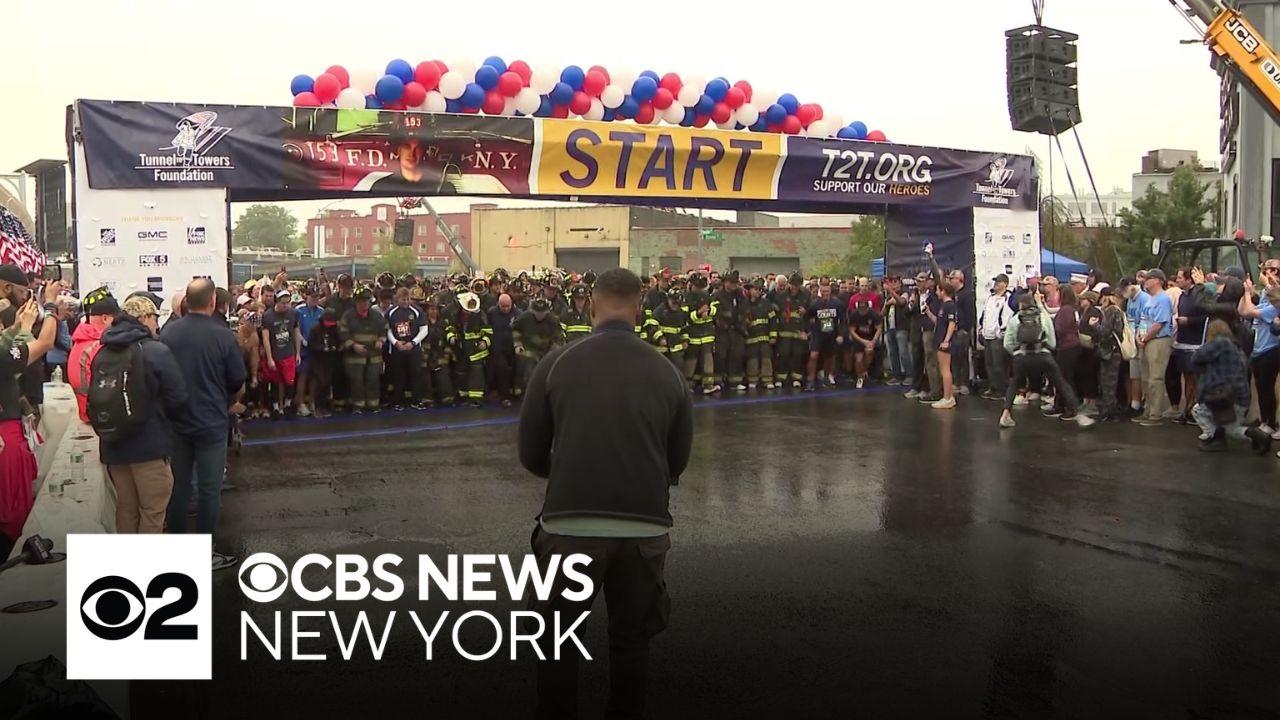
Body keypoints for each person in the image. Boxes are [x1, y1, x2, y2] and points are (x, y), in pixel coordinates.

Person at [518, 268, 692, 720]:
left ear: (591, 307)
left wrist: (571, 474)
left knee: (557, 642)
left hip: (569, 525)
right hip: (644, 529)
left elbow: (530, 453)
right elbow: (677, 461)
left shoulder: (555, 364)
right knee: (632, 642)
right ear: (640, 309)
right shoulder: (669, 373)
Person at [160, 278, 246, 571]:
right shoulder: (222, 335)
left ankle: (176, 549)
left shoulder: (168, 333)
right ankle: (205, 553)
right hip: (211, 421)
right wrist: (226, 401)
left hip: (177, 421)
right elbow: (237, 379)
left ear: (187, 301)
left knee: (179, 486)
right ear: (212, 302)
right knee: (210, 490)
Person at [96, 296, 188, 534]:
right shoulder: (156, 351)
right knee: (152, 512)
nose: (157, 324)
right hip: (150, 448)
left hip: (114, 447)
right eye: (155, 318)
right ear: (144, 318)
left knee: (126, 509)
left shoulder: (103, 350)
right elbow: (178, 398)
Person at [0, 266, 57, 558]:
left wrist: (17, 328)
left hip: (12, 422)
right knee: (11, 511)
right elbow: (29, 349)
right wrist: (45, 311)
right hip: (6, 434)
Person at [998, 292, 1095, 429]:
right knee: (1061, 382)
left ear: (1020, 305)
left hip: (1022, 356)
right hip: (1042, 355)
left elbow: (1007, 343)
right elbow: (1052, 342)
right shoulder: (1043, 316)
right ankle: (1079, 414)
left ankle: (1005, 415)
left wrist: (1017, 352)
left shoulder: (1015, 319)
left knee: (1014, 384)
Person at [1191, 319, 1268, 453]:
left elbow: (1196, 357)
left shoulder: (1220, 343)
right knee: (1231, 429)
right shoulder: (1236, 347)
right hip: (1238, 396)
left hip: (1226, 396)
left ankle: (1215, 438)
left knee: (1198, 411)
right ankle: (1254, 435)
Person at [1237, 280, 1280, 439]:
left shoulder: (1274, 308)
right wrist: (1245, 294)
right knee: (1261, 389)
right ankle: (1264, 421)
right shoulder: (1266, 305)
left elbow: (1249, 311)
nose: (1265, 290)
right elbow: (1243, 311)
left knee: (1267, 389)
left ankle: (1270, 422)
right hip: (1258, 351)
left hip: (1270, 350)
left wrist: (1248, 293)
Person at [68, 295, 118, 424]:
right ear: (105, 318)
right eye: (116, 320)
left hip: (84, 411)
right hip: (100, 415)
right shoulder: (100, 346)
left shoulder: (80, 341)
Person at [339, 287, 388, 414]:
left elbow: (384, 329)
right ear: (356, 302)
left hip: (374, 355)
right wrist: (353, 345)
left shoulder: (376, 315)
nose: (365, 303)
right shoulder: (348, 316)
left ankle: (373, 404)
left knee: (373, 379)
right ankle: (358, 405)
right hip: (354, 356)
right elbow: (343, 333)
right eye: (362, 301)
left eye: (367, 301)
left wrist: (381, 340)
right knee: (356, 380)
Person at [1136, 270, 1175, 426]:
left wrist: (1145, 337)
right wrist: (1139, 336)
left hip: (1158, 340)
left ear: (1159, 280)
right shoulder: (1149, 299)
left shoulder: (1163, 299)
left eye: (1149, 278)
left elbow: (1159, 324)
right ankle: (1147, 410)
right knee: (1145, 378)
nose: (1145, 281)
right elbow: (1143, 320)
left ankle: (1155, 414)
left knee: (1155, 378)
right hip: (1146, 340)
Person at [1172, 267, 1209, 425]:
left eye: (1180, 277)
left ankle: (1196, 410)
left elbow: (1206, 316)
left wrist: (1189, 321)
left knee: (1195, 378)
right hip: (1182, 340)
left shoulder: (1198, 295)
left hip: (1196, 342)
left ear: (1189, 279)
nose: (1177, 280)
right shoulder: (1182, 296)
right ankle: (1187, 409)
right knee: (1187, 377)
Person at [512, 297, 564, 404]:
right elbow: (515, 330)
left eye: (542, 313)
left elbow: (559, 336)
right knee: (529, 370)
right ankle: (529, 396)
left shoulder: (553, 320)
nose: (540, 315)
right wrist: (518, 344)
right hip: (529, 350)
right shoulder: (524, 317)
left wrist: (555, 349)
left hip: (547, 351)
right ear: (532, 310)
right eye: (537, 313)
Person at [260, 289, 301, 420]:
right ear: (277, 302)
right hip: (275, 353)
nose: (285, 306)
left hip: (288, 353)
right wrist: (269, 358)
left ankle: (288, 404)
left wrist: (298, 353)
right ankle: (276, 407)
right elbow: (266, 338)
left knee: (290, 381)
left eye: (287, 303)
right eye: (283, 303)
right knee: (275, 382)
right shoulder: (268, 316)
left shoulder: (293, 313)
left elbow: (296, 333)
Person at [386, 288, 429, 410]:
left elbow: (424, 329)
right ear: (397, 299)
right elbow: (387, 330)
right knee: (398, 376)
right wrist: (395, 342)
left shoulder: (417, 311)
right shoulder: (391, 312)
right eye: (403, 300)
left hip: (414, 349)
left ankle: (417, 401)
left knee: (416, 375)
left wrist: (413, 342)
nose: (406, 302)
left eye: (408, 299)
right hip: (397, 350)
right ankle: (398, 402)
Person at [1046, 286, 1081, 418]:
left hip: (1066, 347)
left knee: (1065, 378)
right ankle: (1059, 404)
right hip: (1071, 346)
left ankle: (1070, 407)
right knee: (1063, 377)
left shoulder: (1066, 310)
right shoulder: (1072, 309)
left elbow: (1060, 329)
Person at [711, 270, 749, 391]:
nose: (733, 285)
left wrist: (741, 319)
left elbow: (744, 308)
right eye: (730, 282)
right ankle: (718, 380)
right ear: (725, 282)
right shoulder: (717, 295)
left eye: (735, 283)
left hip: (737, 330)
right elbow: (714, 312)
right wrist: (722, 318)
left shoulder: (740, 294)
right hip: (722, 330)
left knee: (737, 355)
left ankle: (735, 382)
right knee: (721, 355)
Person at [804, 281, 845, 391]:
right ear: (820, 292)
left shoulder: (837, 304)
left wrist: (840, 334)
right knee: (813, 356)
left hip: (831, 334)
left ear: (830, 291)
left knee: (829, 357)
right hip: (818, 334)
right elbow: (806, 317)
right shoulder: (815, 304)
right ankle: (810, 380)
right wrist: (808, 331)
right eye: (823, 292)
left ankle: (826, 378)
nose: (825, 293)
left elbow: (843, 320)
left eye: (827, 291)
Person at [773, 272, 811, 390]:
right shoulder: (781, 296)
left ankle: (796, 379)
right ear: (789, 284)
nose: (795, 287)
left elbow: (811, 314)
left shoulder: (806, 296)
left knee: (797, 355)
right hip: (784, 331)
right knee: (783, 355)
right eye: (793, 285)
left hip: (799, 332)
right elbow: (775, 315)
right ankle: (780, 378)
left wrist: (806, 312)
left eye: (797, 285)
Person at [979, 274, 1013, 400]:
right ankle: (993, 387)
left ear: (1005, 284)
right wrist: (982, 329)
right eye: (996, 282)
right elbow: (986, 314)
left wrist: (1001, 332)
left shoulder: (1007, 298)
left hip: (997, 336)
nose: (996, 284)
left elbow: (1007, 316)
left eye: (999, 282)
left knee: (999, 364)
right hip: (987, 335)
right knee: (989, 363)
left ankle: (1002, 389)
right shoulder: (990, 298)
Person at [294, 287, 325, 418]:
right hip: (304, 348)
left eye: (317, 297)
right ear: (306, 297)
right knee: (303, 375)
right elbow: (296, 329)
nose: (315, 300)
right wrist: (303, 340)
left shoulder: (321, 311)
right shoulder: (299, 310)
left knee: (314, 376)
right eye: (313, 297)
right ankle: (300, 403)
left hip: (316, 348)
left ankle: (312, 401)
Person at [930, 281, 959, 409]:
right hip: (940, 339)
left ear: (943, 291)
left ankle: (948, 398)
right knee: (943, 369)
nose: (936, 293)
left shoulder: (950, 305)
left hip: (945, 341)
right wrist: (928, 313)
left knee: (945, 370)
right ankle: (948, 396)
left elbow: (952, 323)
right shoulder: (944, 306)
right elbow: (940, 322)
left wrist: (946, 340)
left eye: (938, 290)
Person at [744, 278, 777, 390]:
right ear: (749, 290)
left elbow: (773, 320)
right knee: (752, 359)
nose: (758, 291)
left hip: (765, 337)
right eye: (755, 289)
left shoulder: (766, 303)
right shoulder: (744, 304)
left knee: (766, 358)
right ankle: (752, 380)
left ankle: (767, 380)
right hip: (750, 337)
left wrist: (773, 336)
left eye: (759, 289)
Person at [487, 294, 519, 406]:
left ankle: (516, 391)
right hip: (498, 347)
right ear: (498, 304)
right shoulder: (492, 313)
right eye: (503, 306)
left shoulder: (518, 313)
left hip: (512, 346)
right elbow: (488, 329)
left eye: (508, 306)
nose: (506, 309)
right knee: (502, 370)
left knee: (516, 368)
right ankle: (504, 397)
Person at [882, 275, 913, 386]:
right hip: (890, 328)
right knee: (892, 353)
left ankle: (909, 375)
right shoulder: (888, 297)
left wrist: (891, 292)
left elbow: (902, 302)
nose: (894, 284)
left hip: (901, 327)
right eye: (892, 282)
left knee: (903, 352)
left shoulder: (905, 293)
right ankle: (896, 375)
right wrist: (887, 304)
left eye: (896, 282)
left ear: (900, 283)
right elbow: (882, 313)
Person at [848, 297, 881, 389]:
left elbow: (879, 328)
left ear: (867, 307)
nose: (862, 310)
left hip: (870, 338)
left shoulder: (873, 314)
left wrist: (873, 341)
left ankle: (864, 371)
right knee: (858, 359)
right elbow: (852, 330)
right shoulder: (854, 315)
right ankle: (860, 377)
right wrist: (862, 341)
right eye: (861, 308)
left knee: (869, 352)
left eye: (864, 308)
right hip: (858, 338)